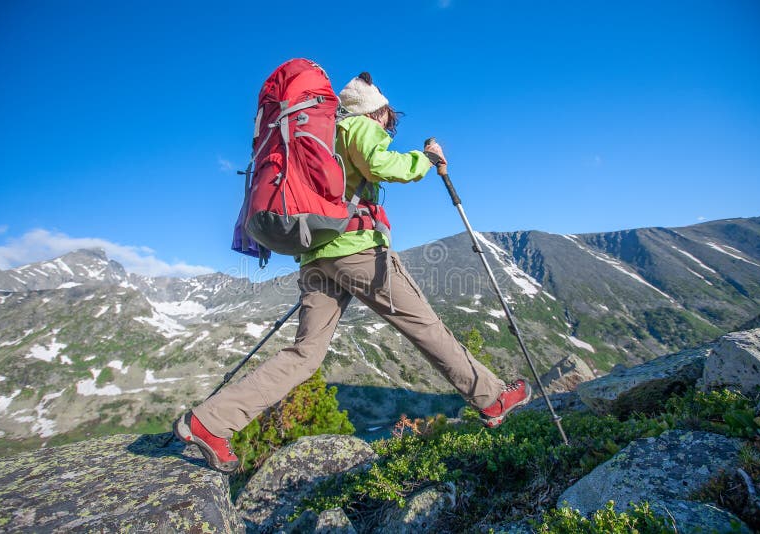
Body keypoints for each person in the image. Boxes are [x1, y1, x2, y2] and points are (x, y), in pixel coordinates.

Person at [174, 72, 531, 472]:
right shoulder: (358, 126)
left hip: (313, 256)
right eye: (387, 116)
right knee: (424, 326)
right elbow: (382, 165)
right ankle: (493, 398)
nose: (388, 124)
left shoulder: (322, 135)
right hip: (357, 251)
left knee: (304, 355)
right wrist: (426, 160)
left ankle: (210, 422)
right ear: (377, 110)